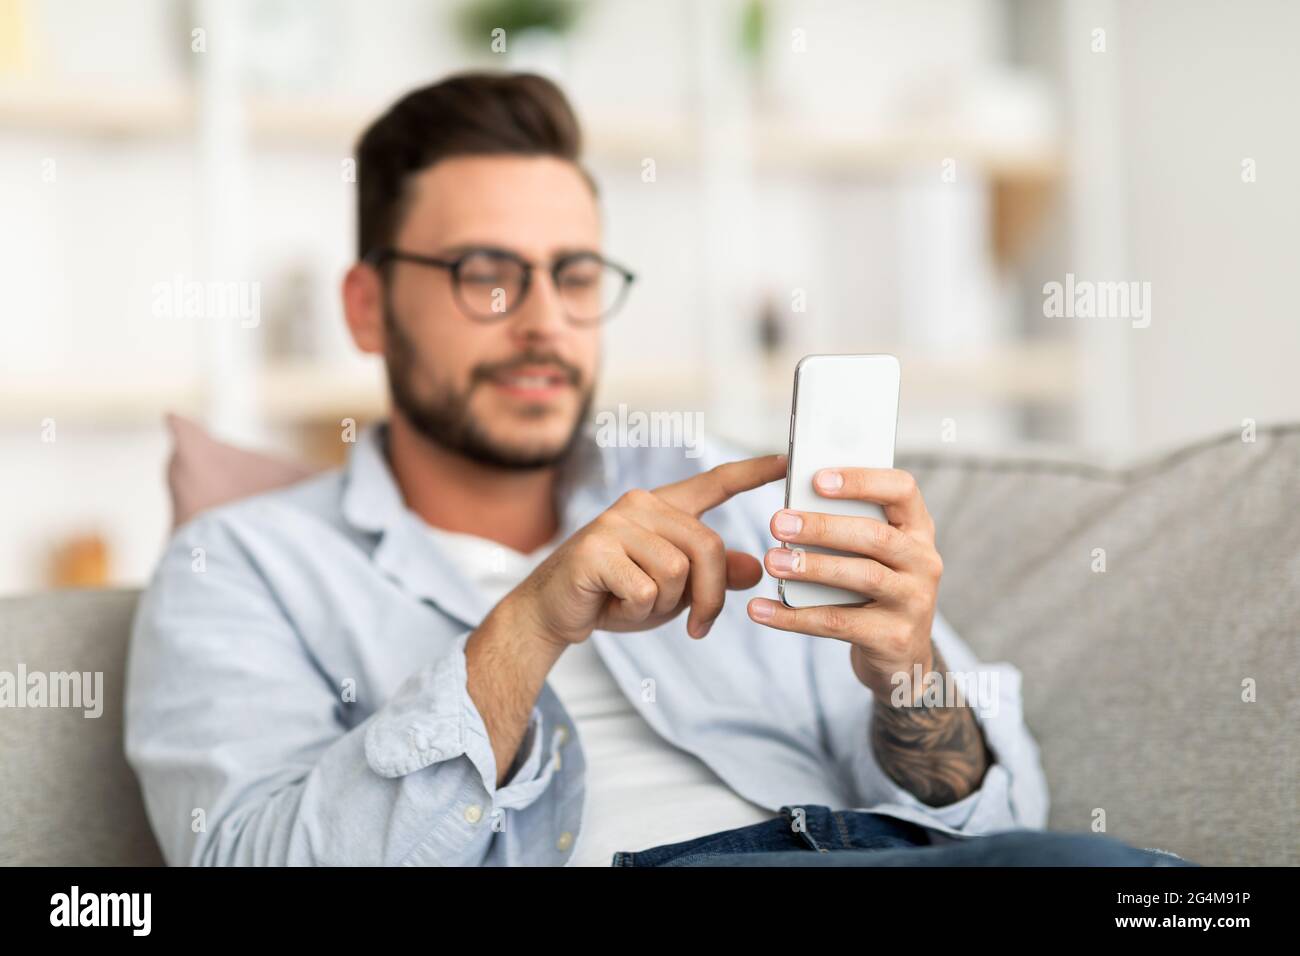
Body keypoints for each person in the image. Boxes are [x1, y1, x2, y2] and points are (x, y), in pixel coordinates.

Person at [125, 72, 1189, 867]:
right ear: (367, 307)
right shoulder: (242, 562)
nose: (544, 322)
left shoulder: (734, 487)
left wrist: (907, 669)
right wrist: (528, 622)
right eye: (485, 275)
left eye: (575, 274)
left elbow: (993, 817)